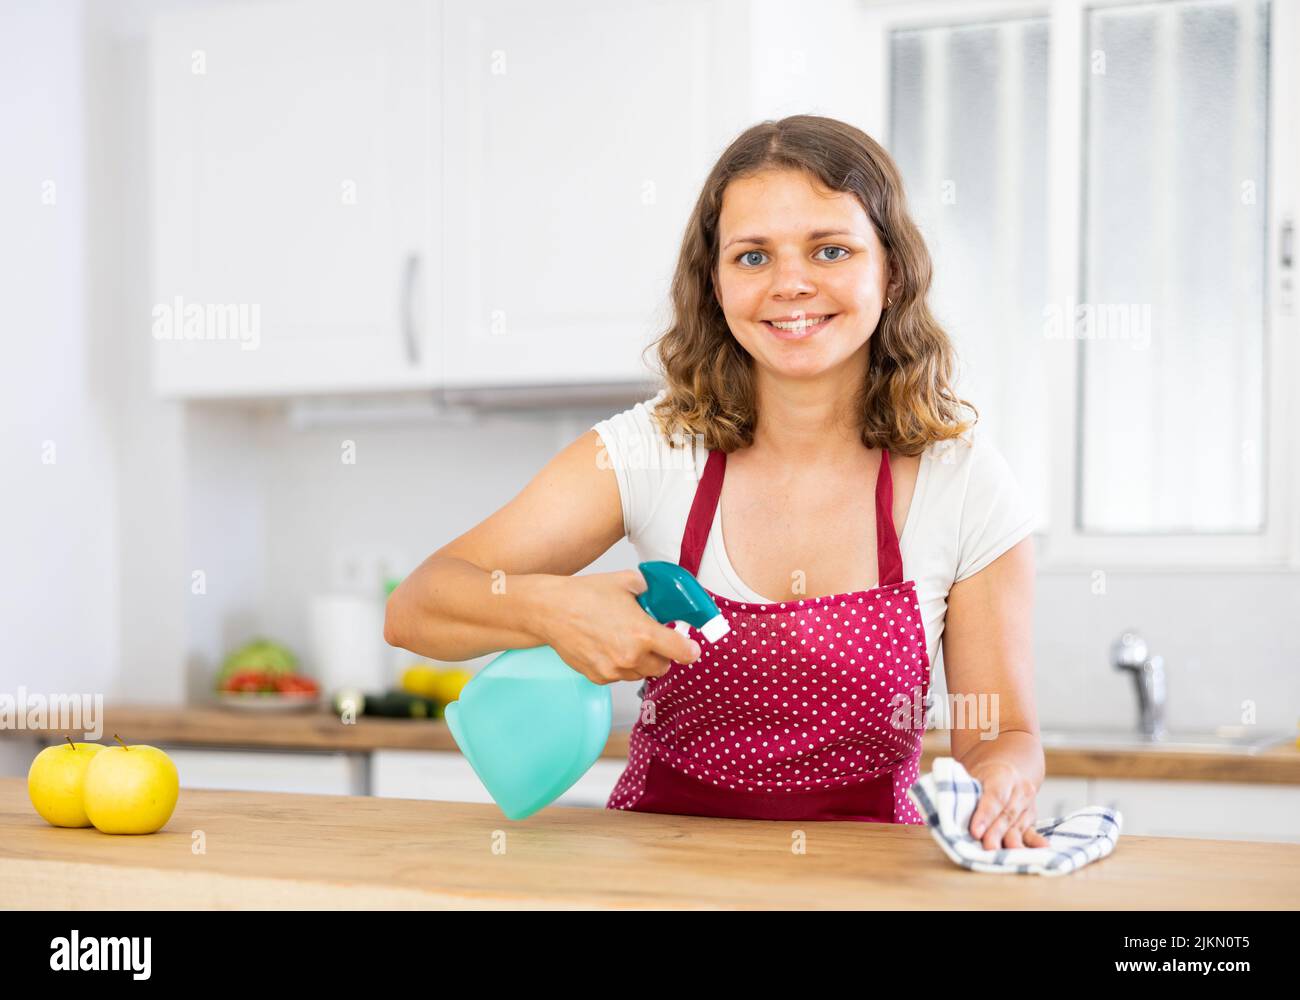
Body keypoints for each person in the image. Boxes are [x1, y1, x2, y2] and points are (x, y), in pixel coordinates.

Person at [386, 114, 1047, 849]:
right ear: (716, 282)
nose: (791, 284)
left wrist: (1002, 784)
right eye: (753, 256)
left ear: (890, 270)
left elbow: (1001, 732)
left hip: (869, 886)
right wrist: (553, 611)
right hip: (660, 879)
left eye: (830, 249)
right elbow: (417, 607)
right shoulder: (651, 448)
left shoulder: (961, 475)